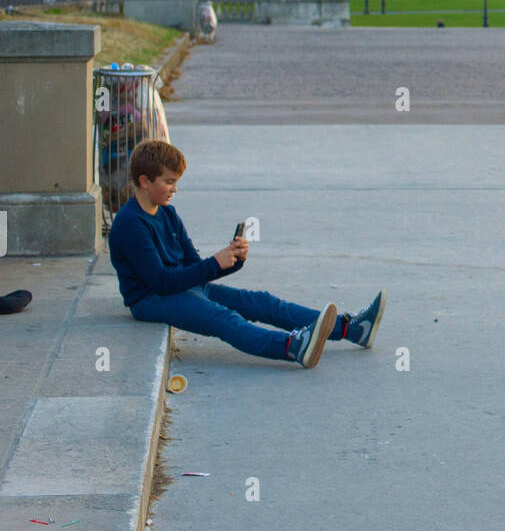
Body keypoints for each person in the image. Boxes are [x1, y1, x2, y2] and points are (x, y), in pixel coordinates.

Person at [108, 139, 385, 367]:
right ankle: (291, 347)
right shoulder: (131, 223)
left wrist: (232, 259)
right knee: (225, 320)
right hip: (152, 300)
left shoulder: (167, 212)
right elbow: (160, 281)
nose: (175, 189)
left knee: (261, 302)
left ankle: (351, 329)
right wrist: (214, 264)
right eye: (168, 182)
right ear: (145, 181)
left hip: (183, 288)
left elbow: (193, 264)